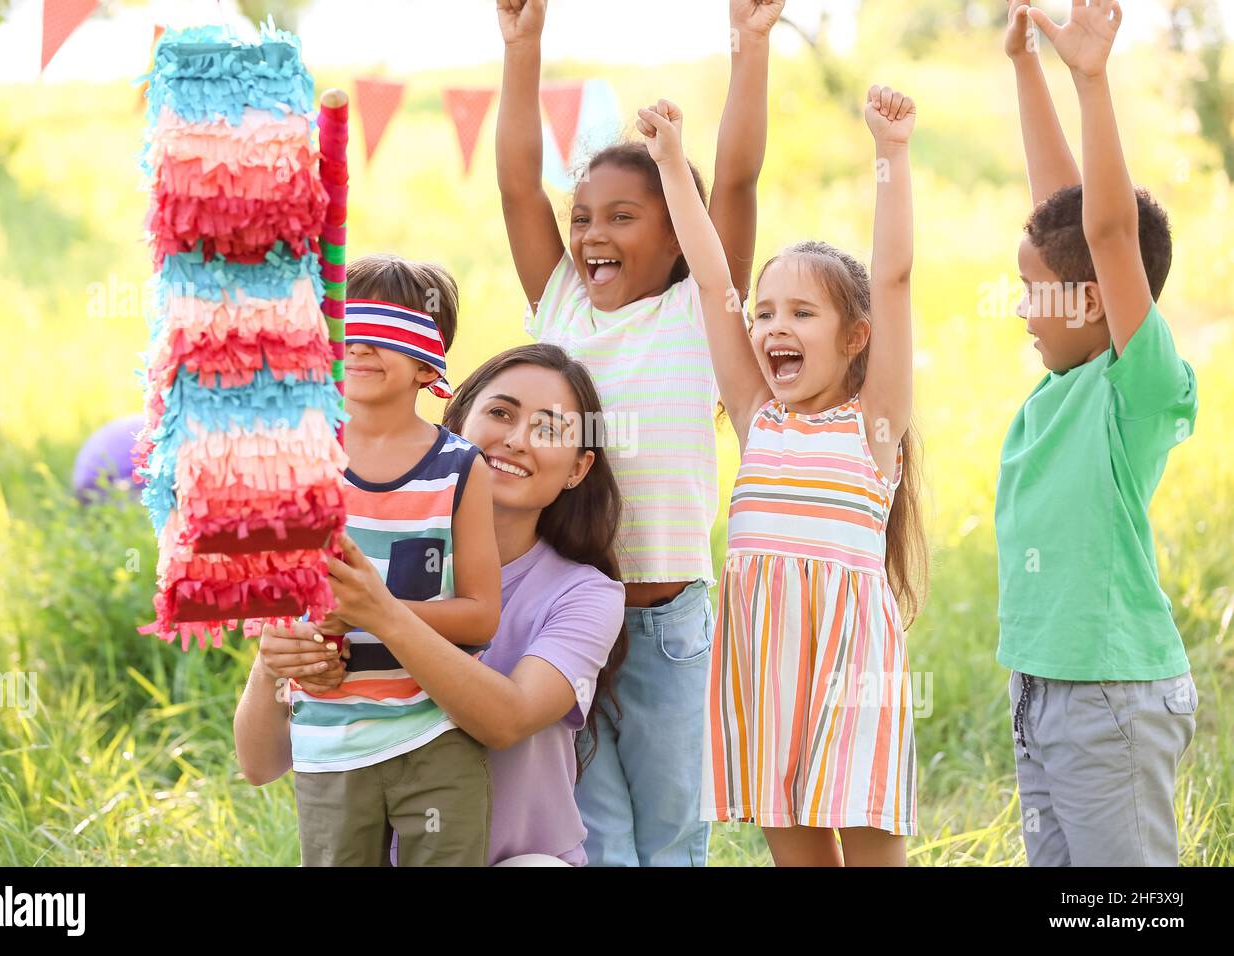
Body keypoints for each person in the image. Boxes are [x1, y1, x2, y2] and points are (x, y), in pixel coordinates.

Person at [494, 0, 787, 867]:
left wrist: (751, 46)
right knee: (598, 841)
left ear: (676, 231)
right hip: (568, 620)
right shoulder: (561, 307)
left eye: (623, 216)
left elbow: (734, 183)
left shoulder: (704, 317)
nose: (591, 234)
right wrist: (523, 49)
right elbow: (518, 186)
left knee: (671, 839)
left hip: (666, 626)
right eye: (584, 216)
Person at [636, 84, 926, 865]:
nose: (773, 328)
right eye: (765, 313)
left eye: (801, 313)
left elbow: (893, 279)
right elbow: (709, 282)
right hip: (763, 669)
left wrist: (890, 156)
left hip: (851, 669)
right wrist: (670, 163)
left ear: (856, 335)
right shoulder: (759, 416)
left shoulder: (872, 427)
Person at [235, 344, 628, 866]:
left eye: (548, 429)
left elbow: (504, 720)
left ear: (578, 470)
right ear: (455, 427)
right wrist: (272, 666)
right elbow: (261, 764)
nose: (515, 439)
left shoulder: (585, 595)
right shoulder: (360, 559)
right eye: (500, 413)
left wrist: (381, 614)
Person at [998, 0, 1199, 866]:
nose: (1020, 308)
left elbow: (1105, 233)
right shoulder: (1065, 383)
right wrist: (1026, 70)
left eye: (1033, 291)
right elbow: (1066, 215)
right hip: (1042, 690)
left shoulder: (1133, 391)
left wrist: (1091, 78)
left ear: (1093, 301)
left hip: (1111, 695)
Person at [265, 254, 501, 866]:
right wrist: (305, 635)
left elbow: (481, 616)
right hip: (329, 739)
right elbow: (279, 603)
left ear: (429, 362)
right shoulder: (300, 464)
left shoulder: (460, 468)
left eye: (387, 332)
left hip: (435, 735)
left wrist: (376, 609)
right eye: (350, 328)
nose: (362, 347)